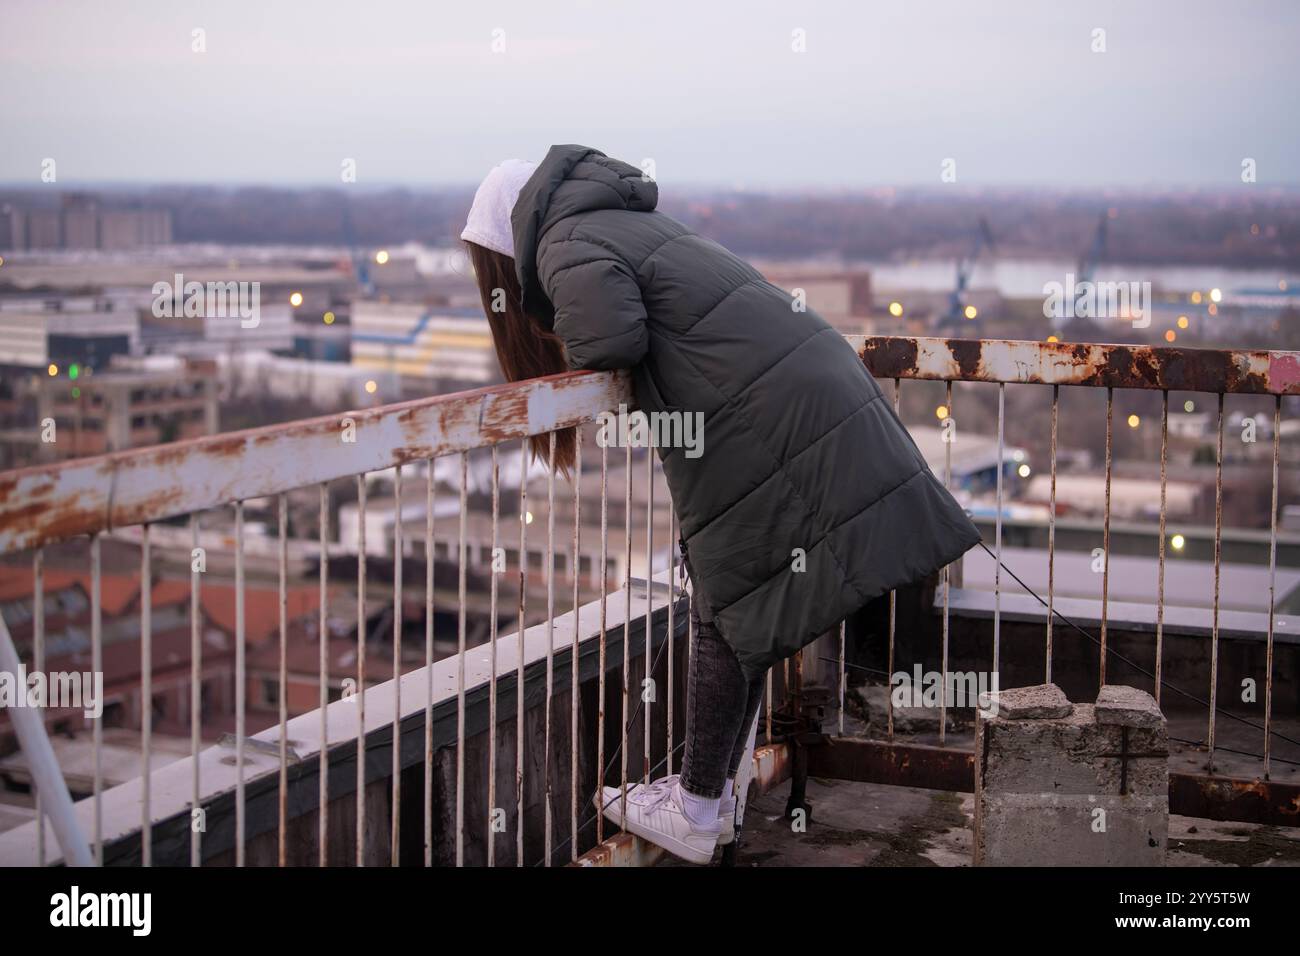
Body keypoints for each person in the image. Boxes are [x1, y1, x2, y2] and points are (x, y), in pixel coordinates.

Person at [460, 145, 980, 864]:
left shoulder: (563, 242)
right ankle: (710, 795)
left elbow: (611, 337)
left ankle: (699, 806)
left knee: (728, 601)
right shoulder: (615, 222)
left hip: (758, 415)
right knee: (743, 601)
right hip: (797, 385)